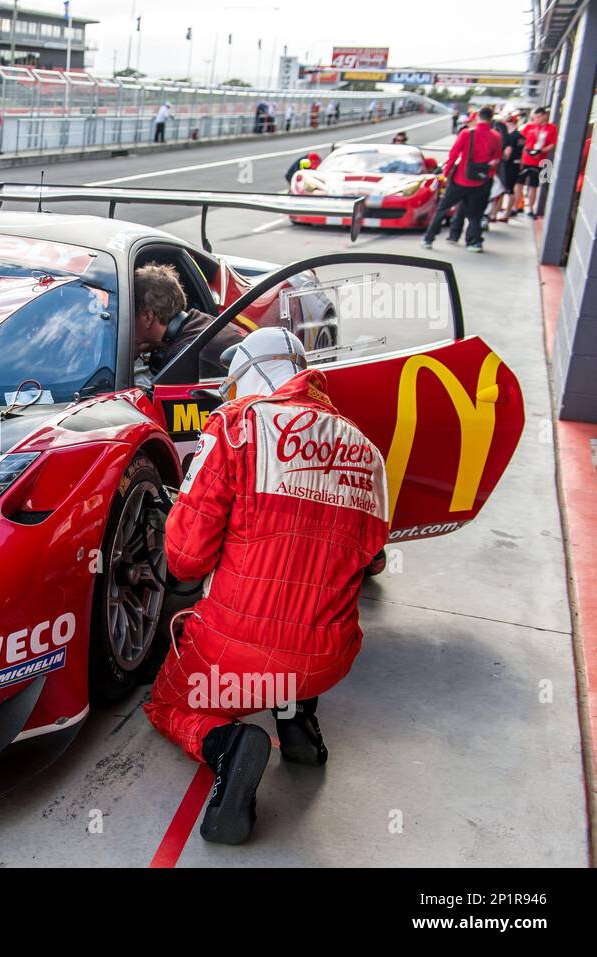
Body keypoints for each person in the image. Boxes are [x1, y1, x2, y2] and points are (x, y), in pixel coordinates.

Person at [144, 327, 389, 845]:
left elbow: (185, 561)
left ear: (251, 375)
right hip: (329, 659)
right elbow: (371, 561)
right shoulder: (369, 454)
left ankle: (228, 745)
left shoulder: (238, 426)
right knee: (299, 633)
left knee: (169, 706)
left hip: (236, 654)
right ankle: (297, 712)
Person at [132, 264, 242, 388]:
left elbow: (146, 403)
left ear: (148, 317)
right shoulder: (200, 320)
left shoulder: (184, 358)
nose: (129, 325)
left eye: (131, 318)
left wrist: (132, 361)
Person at [422, 104, 502, 253]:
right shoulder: (496, 136)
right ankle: (474, 242)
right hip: (480, 182)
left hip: (460, 179)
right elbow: (496, 159)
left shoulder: (466, 133)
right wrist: (487, 177)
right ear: (491, 119)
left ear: (478, 117)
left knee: (442, 209)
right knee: (475, 215)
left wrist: (445, 174)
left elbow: (453, 155)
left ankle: (429, 239)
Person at [519, 106, 557, 218]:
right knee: (518, 184)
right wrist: (526, 150)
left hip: (541, 161)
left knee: (534, 186)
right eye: (534, 117)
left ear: (545, 116)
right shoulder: (528, 127)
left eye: (538, 117)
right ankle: (517, 206)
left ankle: (530, 209)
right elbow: (521, 141)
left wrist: (541, 151)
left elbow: (552, 144)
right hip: (525, 159)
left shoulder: (551, 128)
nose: (536, 119)